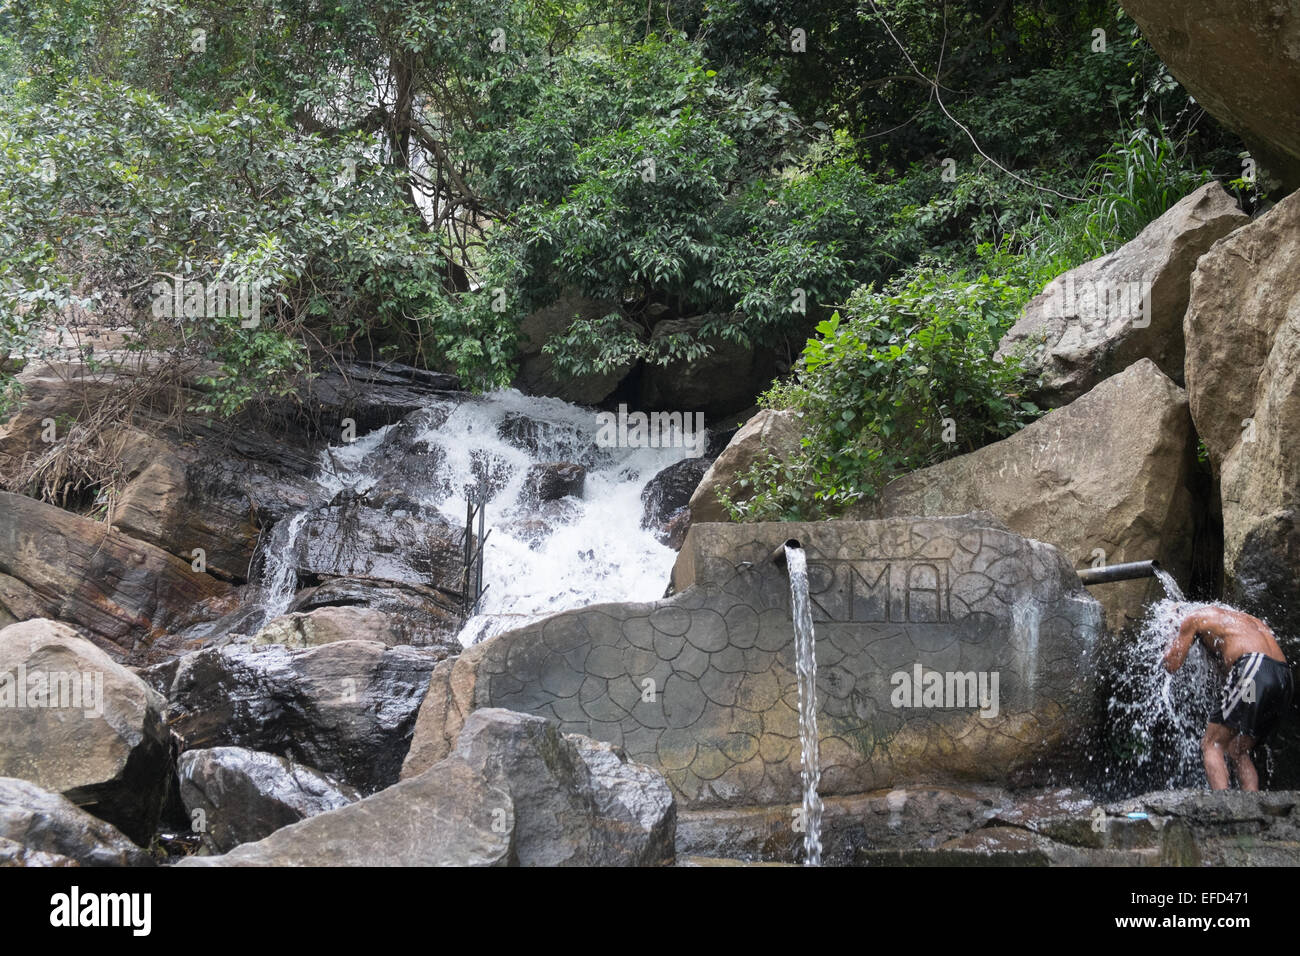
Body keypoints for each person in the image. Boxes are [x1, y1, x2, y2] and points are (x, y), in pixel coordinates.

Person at [1163, 605, 1293, 791]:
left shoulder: (1192, 618)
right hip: (1283, 678)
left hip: (1253, 670)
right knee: (1237, 750)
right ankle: (1252, 808)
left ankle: (1222, 808)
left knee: (1212, 743)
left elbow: (1172, 664)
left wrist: (1171, 630)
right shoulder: (1243, 619)